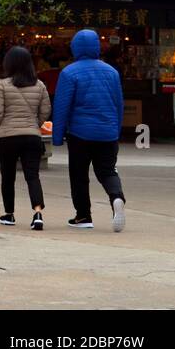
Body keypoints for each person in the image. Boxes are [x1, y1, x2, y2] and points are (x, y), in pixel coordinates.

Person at [53, 29, 127, 231]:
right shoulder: (112, 72)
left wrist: (57, 136)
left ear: (75, 47)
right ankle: (117, 198)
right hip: (108, 133)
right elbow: (119, 104)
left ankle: (83, 216)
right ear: (96, 47)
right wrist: (116, 130)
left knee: (79, 175)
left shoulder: (69, 72)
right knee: (108, 171)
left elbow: (62, 106)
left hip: (79, 134)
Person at [0, 46, 51, 230]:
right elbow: (45, 111)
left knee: (7, 177)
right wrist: (34, 124)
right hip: (32, 136)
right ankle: (38, 212)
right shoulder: (39, 85)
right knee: (32, 175)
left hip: (7, 137)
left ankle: (9, 214)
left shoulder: (0, 84)